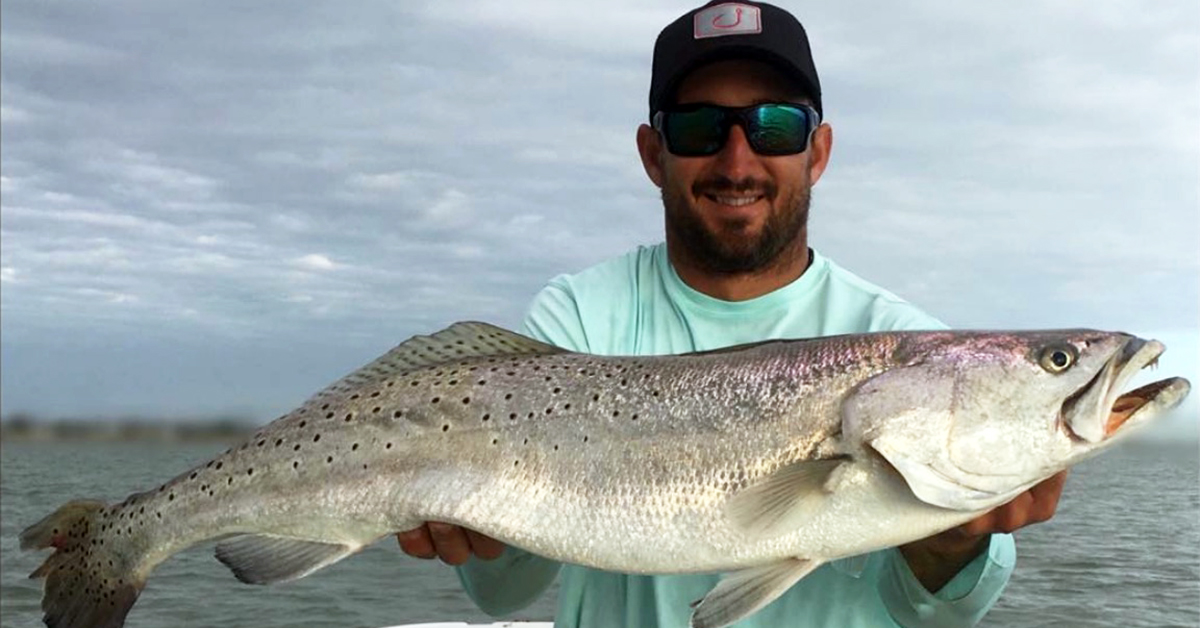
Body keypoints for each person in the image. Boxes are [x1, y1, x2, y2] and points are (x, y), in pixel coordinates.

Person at [399, 1, 1067, 626]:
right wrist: (465, 528)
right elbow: (503, 591)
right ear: (653, 155)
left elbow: (943, 613)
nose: (738, 160)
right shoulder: (578, 317)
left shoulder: (899, 336)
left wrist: (949, 546)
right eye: (699, 128)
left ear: (819, 151)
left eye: (776, 126)